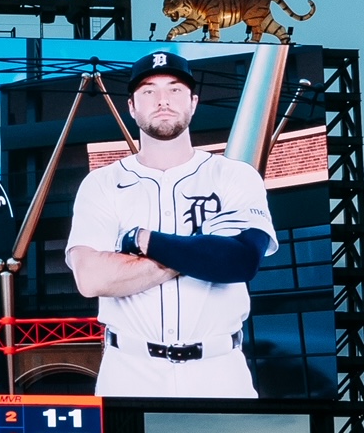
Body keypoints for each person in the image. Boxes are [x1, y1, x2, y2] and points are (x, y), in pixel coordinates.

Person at [65, 51, 279, 399]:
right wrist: (202, 250)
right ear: (132, 108)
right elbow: (91, 279)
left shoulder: (235, 176)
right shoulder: (101, 183)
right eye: (148, 91)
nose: (163, 100)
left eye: (175, 89)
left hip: (220, 367)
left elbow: (239, 262)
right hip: (128, 368)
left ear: (193, 103)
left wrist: (141, 240)